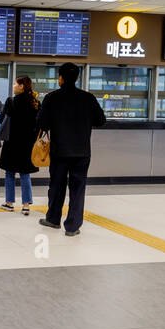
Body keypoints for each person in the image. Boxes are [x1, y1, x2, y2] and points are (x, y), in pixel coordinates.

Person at [36, 62, 105, 236]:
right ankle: (72, 227)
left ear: (60, 78)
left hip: (59, 151)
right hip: (82, 151)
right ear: (77, 78)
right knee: (78, 188)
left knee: (56, 186)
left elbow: (42, 123)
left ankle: (53, 219)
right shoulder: (88, 98)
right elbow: (100, 120)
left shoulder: (52, 97)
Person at [0, 75, 40, 216]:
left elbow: (1, 119)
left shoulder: (11, 101)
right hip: (28, 144)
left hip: (12, 143)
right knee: (24, 174)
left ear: (22, 86)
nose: (14, 86)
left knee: (10, 173)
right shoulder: (35, 103)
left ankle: (9, 203)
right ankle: (26, 205)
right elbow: (39, 124)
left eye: (16, 84)